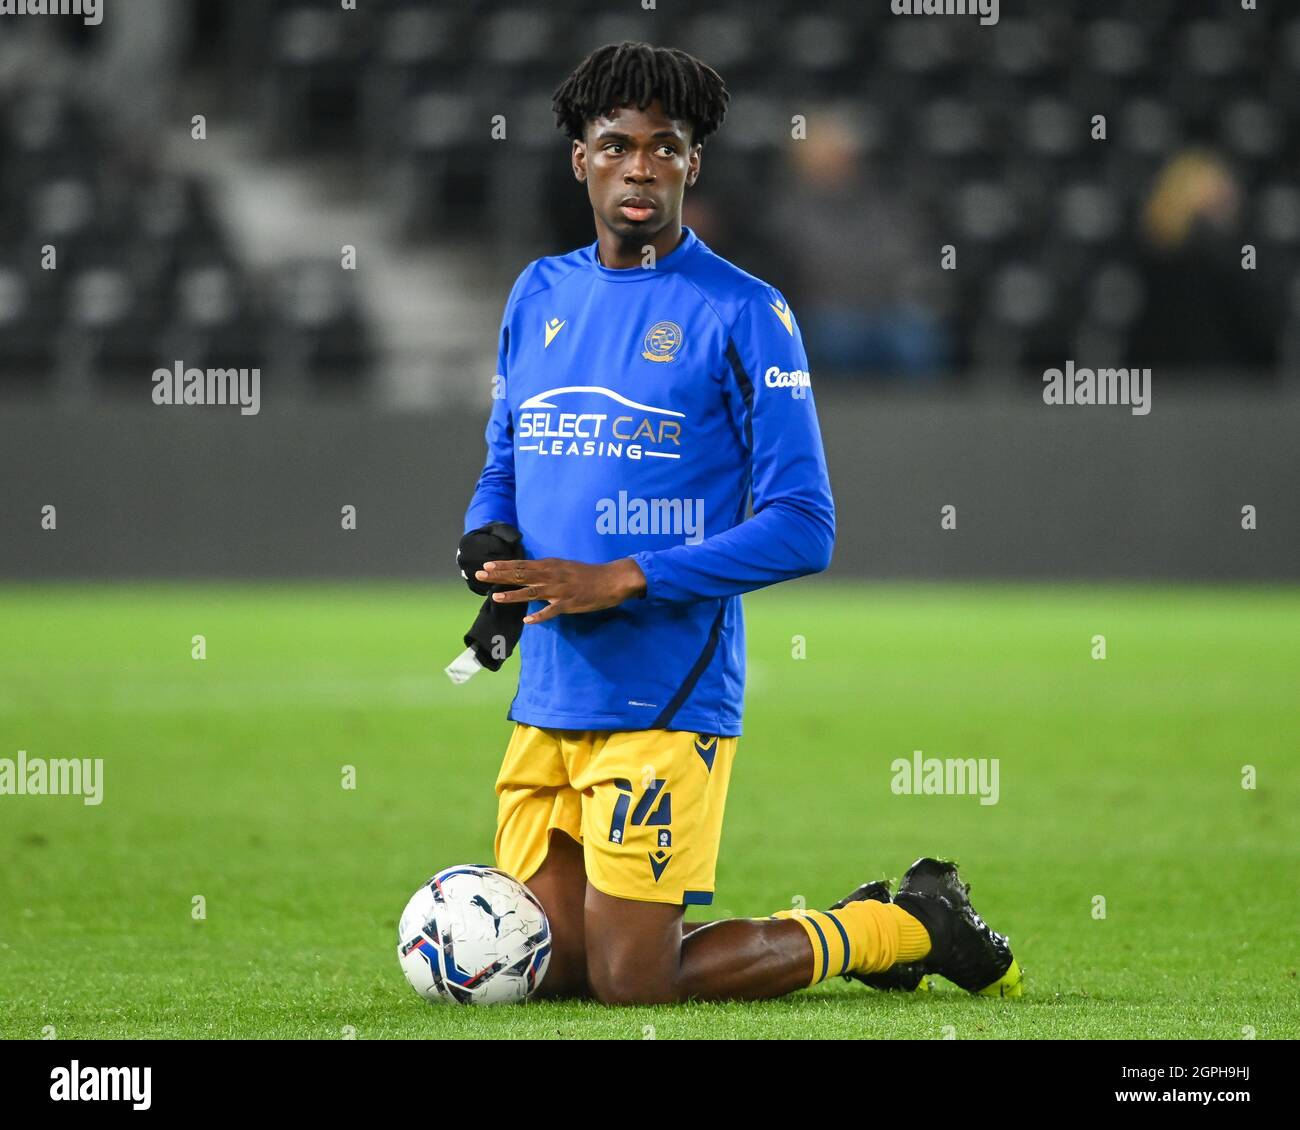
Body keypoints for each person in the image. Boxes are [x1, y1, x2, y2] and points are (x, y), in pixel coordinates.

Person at [461, 41, 1020, 1004]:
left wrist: (623, 577)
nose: (640, 166)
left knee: (636, 983)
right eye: (617, 145)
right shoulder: (537, 294)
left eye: (664, 147)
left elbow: (806, 525)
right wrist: (487, 545)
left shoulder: (746, 312)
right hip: (549, 687)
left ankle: (895, 926)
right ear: (580, 160)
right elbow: (507, 461)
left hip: (664, 693)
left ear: (693, 163)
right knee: (557, 970)